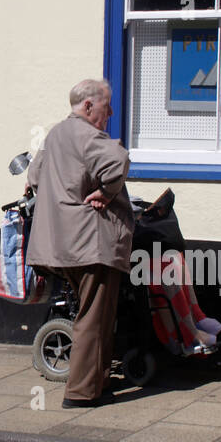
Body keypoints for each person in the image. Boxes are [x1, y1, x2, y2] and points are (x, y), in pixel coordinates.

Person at [26, 79, 133, 407]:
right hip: (91, 243)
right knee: (93, 317)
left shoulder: (55, 134)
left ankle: (98, 382)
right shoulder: (88, 135)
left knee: (97, 315)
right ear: (88, 106)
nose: (111, 112)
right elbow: (119, 162)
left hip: (60, 244)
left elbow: (32, 177)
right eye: (106, 106)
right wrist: (107, 192)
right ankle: (81, 393)